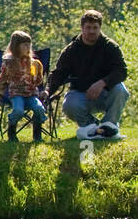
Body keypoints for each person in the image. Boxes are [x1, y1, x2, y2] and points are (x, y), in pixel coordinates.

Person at [48, 10, 129, 139]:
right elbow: (59, 74)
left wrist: (102, 83)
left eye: (95, 28)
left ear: (100, 28)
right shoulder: (71, 50)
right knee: (69, 105)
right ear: (82, 28)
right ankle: (93, 128)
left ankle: (110, 126)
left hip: (106, 94)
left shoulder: (110, 47)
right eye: (88, 27)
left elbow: (122, 71)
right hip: (81, 94)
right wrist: (47, 92)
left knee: (121, 89)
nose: (92, 31)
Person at [0, 31, 48, 142]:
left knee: (39, 109)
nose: (28, 47)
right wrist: (0, 93)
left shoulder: (33, 62)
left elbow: (38, 82)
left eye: (29, 45)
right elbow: (3, 79)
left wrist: (39, 73)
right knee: (18, 111)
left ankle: (37, 135)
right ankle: (12, 131)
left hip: (31, 93)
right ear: (16, 47)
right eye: (24, 45)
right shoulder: (9, 62)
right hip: (16, 94)